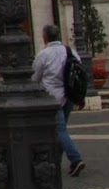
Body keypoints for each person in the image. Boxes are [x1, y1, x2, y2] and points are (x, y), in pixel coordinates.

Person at [33, 24, 85, 177]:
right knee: (61, 130)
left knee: (58, 130)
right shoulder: (71, 51)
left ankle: (76, 159)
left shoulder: (44, 55)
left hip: (52, 98)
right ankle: (56, 161)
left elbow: (35, 77)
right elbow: (79, 73)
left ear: (45, 38)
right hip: (69, 96)